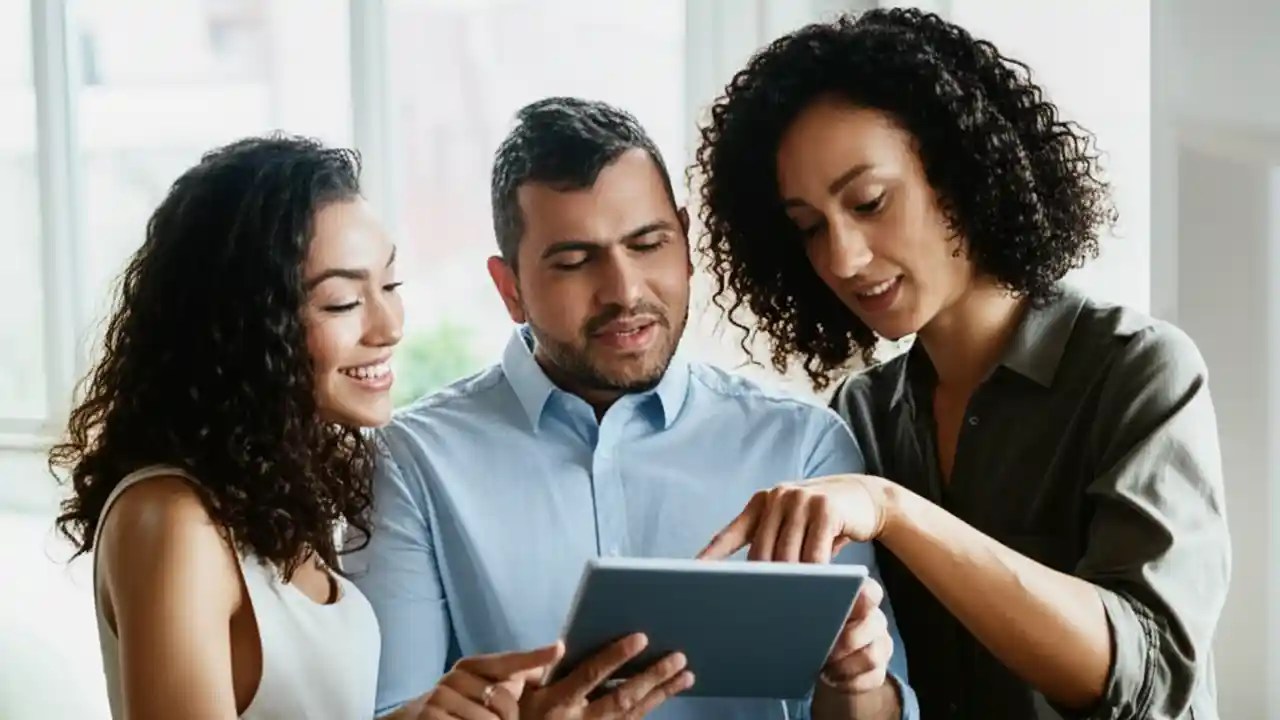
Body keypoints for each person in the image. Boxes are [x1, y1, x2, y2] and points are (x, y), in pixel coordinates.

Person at [692, 8, 1230, 720]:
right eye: (810, 228)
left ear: (962, 174)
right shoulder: (863, 417)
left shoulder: (1138, 372)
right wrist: (852, 679)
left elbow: (1144, 674)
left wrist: (893, 510)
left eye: (869, 201)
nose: (842, 258)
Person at [346, 97, 916, 720]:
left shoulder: (806, 446)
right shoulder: (412, 462)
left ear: (687, 245)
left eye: (648, 244)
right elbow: (391, 709)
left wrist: (856, 685)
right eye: (573, 261)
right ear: (509, 288)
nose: (624, 292)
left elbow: (876, 707)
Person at [50, 135, 563, 720]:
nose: (390, 324)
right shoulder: (174, 520)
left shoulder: (274, 502)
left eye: (389, 285)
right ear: (244, 326)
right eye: (344, 301)